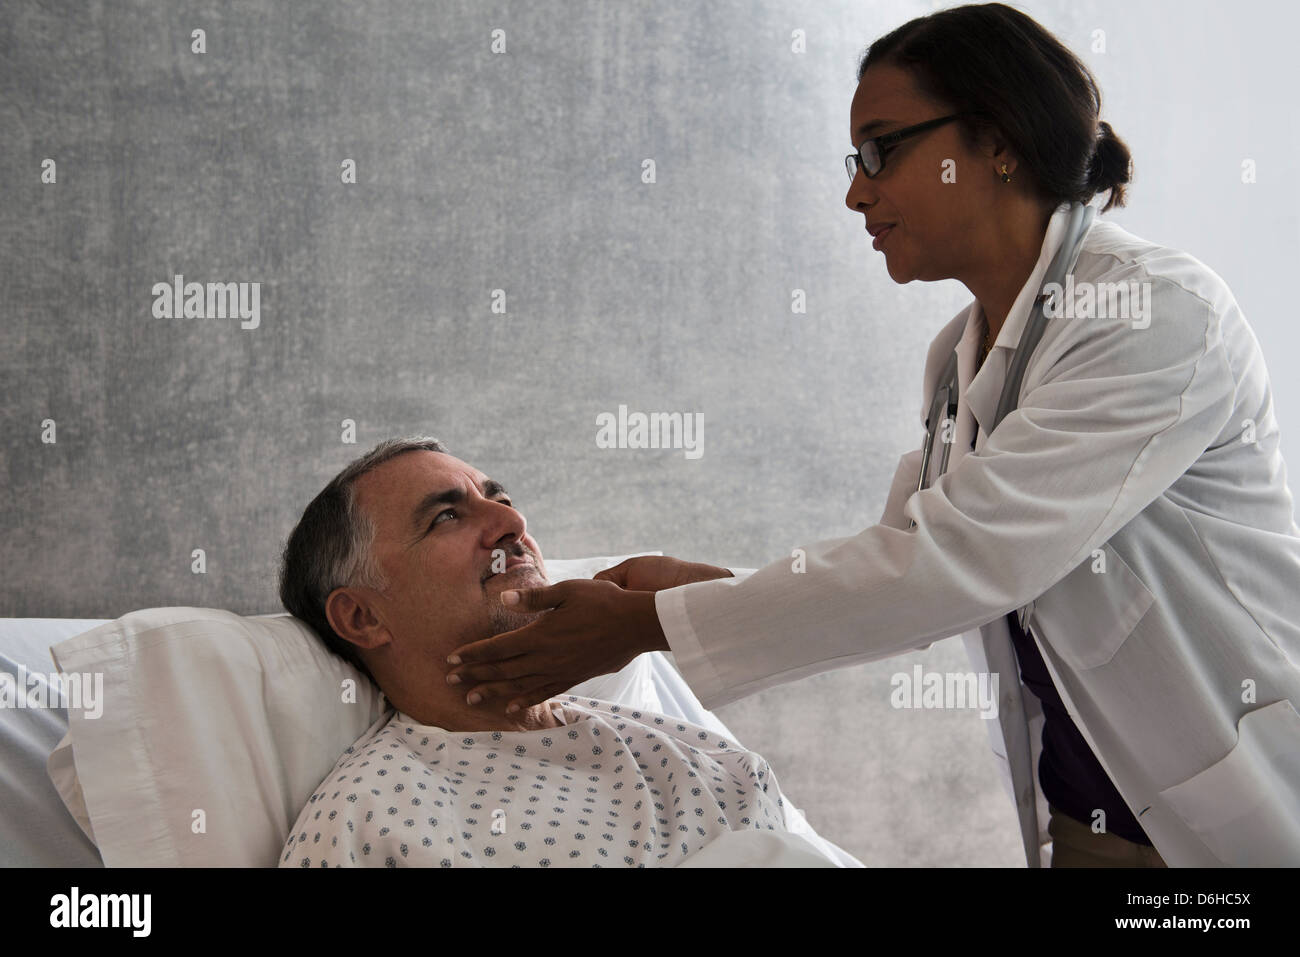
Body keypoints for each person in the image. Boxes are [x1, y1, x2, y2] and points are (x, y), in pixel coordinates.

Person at [441, 3, 1300, 868]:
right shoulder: (956, 363)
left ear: (997, 141)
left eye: (882, 150)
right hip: (1095, 812)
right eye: (857, 159)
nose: (857, 190)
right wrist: (690, 590)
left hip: (1244, 803)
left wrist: (650, 623)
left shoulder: (1149, 313)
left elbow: (949, 567)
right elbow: (904, 560)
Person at [275, 437, 860, 867]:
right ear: (362, 616)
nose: (511, 521)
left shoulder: (694, 756)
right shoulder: (369, 821)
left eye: (500, 498)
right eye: (446, 516)